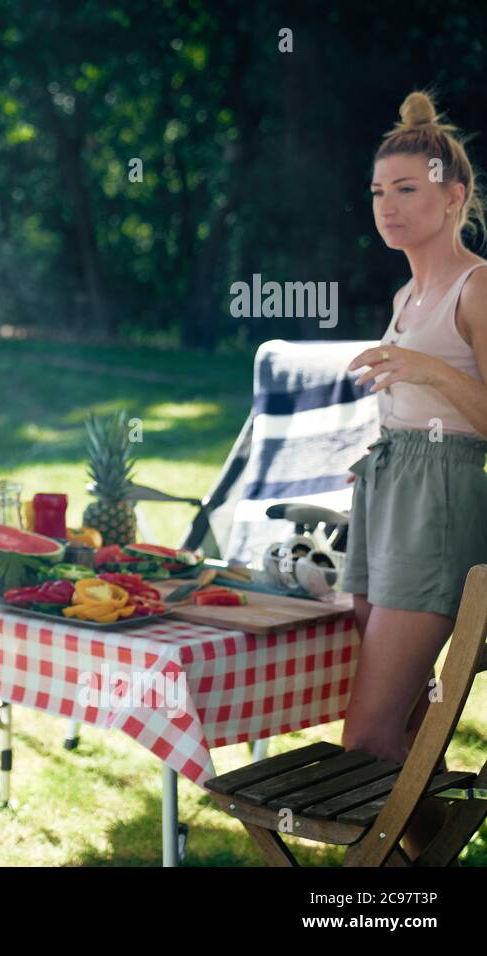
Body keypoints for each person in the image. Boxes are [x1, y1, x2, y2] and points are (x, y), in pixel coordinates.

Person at [345, 90, 487, 857]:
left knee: (364, 735)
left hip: (441, 505)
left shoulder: (478, 287)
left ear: (453, 195)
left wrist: (422, 367)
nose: (387, 206)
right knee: (395, 727)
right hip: (391, 492)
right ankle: (429, 861)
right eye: (377, 192)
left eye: (406, 189)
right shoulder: (406, 293)